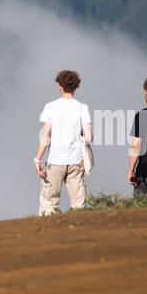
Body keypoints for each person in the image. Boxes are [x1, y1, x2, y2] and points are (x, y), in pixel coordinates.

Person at [34, 70, 93, 215]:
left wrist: (37, 159)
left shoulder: (51, 107)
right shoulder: (82, 108)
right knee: (78, 204)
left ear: (60, 86)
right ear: (75, 87)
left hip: (55, 161)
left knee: (49, 203)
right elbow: (89, 137)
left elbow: (46, 135)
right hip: (76, 161)